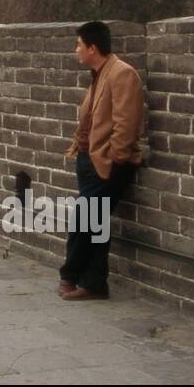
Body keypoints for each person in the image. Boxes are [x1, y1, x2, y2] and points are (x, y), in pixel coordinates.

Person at [58, 21, 144, 301]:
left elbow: (127, 123)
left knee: (84, 218)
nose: (76, 50)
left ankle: (70, 275)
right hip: (88, 159)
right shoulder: (99, 74)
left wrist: (112, 160)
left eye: (79, 45)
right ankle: (93, 283)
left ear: (92, 48)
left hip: (105, 164)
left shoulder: (122, 74)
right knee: (95, 221)